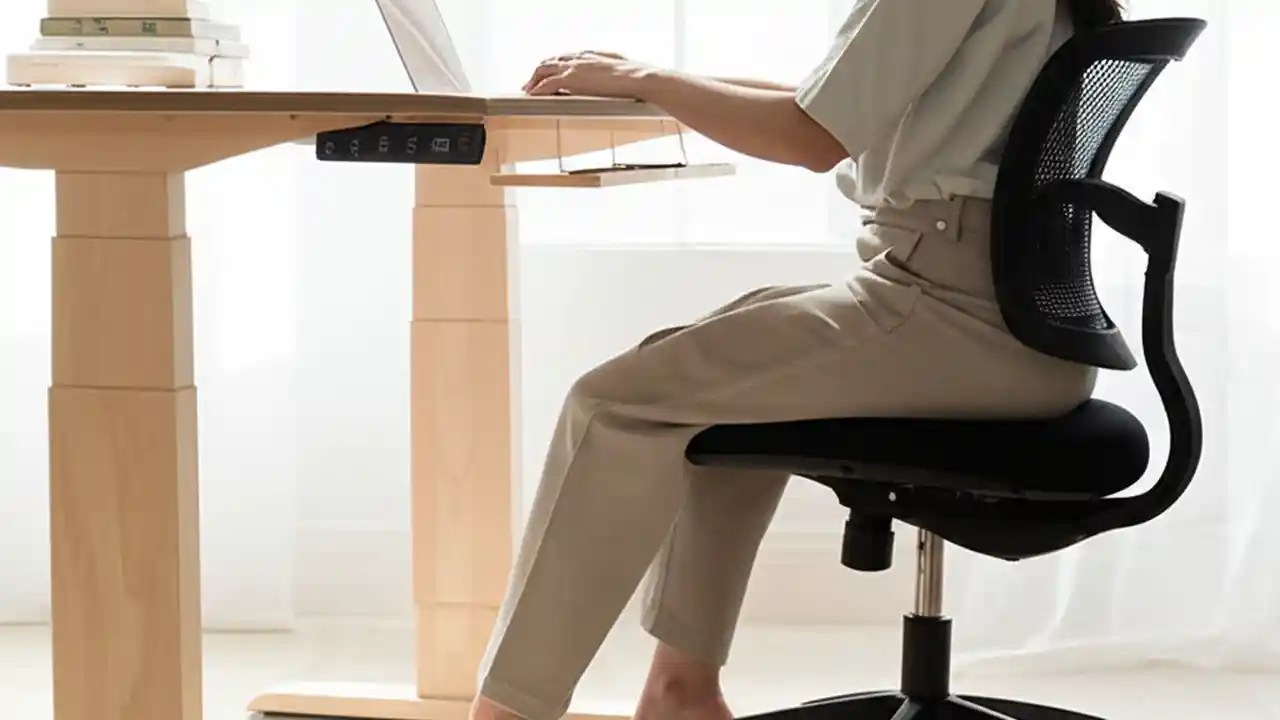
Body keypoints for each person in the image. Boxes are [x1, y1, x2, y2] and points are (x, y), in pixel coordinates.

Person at [471, 2, 1125, 720]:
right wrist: (647, 79)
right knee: (699, 365)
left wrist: (649, 79)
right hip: (1002, 319)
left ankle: (509, 714)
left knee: (613, 405)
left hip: (954, 315)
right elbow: (819, 100)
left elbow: (809, 136)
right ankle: (680, 695)